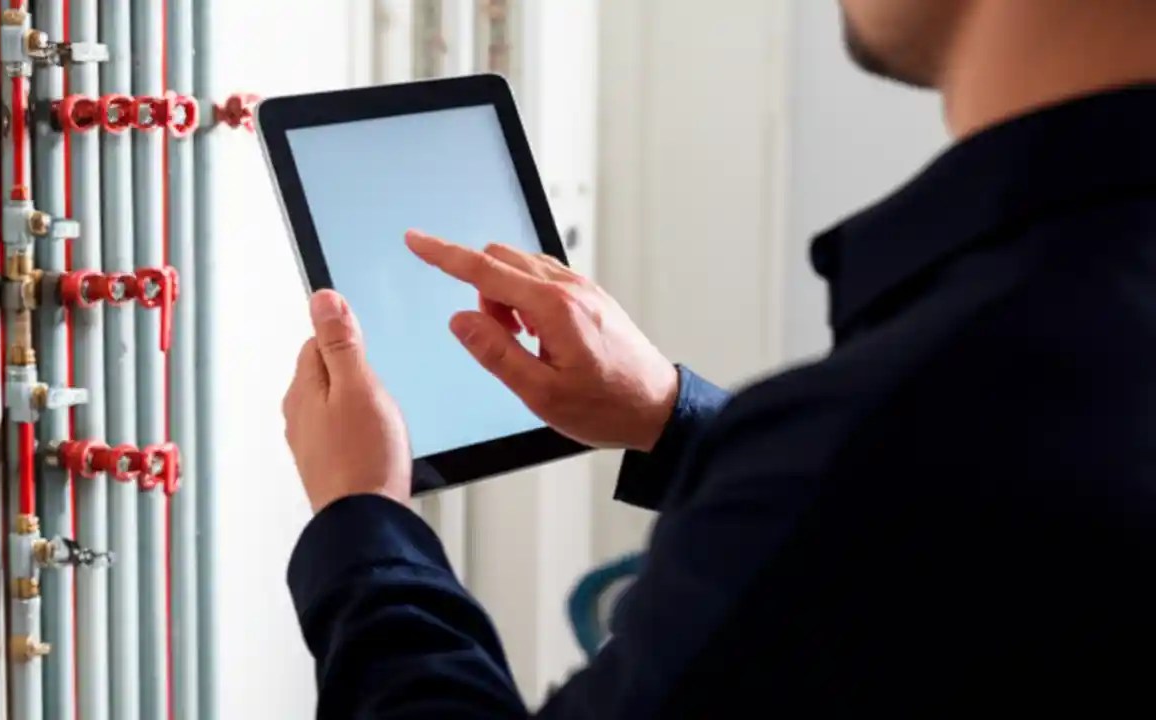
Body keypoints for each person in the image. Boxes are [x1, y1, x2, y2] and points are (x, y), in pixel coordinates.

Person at [281, 1, 1156, 715]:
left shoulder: (911, 420)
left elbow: (897, 498)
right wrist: (675, 417)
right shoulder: (1024, 368)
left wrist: (363, 521)